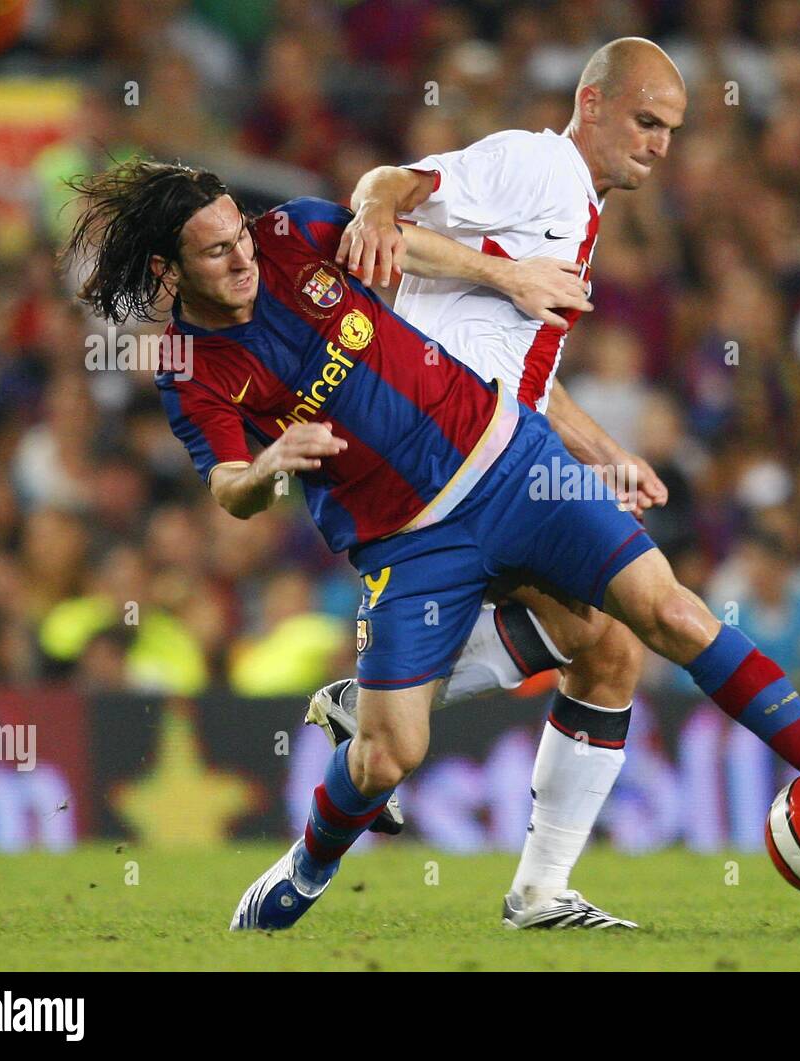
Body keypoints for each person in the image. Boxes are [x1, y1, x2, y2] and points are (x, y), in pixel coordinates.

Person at [61, 159, 800, 932]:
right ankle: (308, 865)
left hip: (508, 461)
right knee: (393, 753)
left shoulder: (289, 237)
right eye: (215, 252)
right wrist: (269, 465)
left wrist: (504, 273)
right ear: (169, 270)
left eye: (238, 234)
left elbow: (400, 237)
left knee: (664, 614)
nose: (242, 258)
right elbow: (227, 490)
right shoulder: (190, 368)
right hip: (408, 541)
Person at [307, 36, 684, 929]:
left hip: (493, 446)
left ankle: (536, 887)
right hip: (447, 451)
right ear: (591, 103)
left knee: (605, 644)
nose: (661, 143)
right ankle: (536, 888)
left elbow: (532, 375)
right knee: (621, 630)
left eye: (670, 129)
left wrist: (602, 450)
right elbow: (386, 194)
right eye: (646, 119)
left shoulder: (576, 208)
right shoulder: (537, 162)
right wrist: (500, 270)